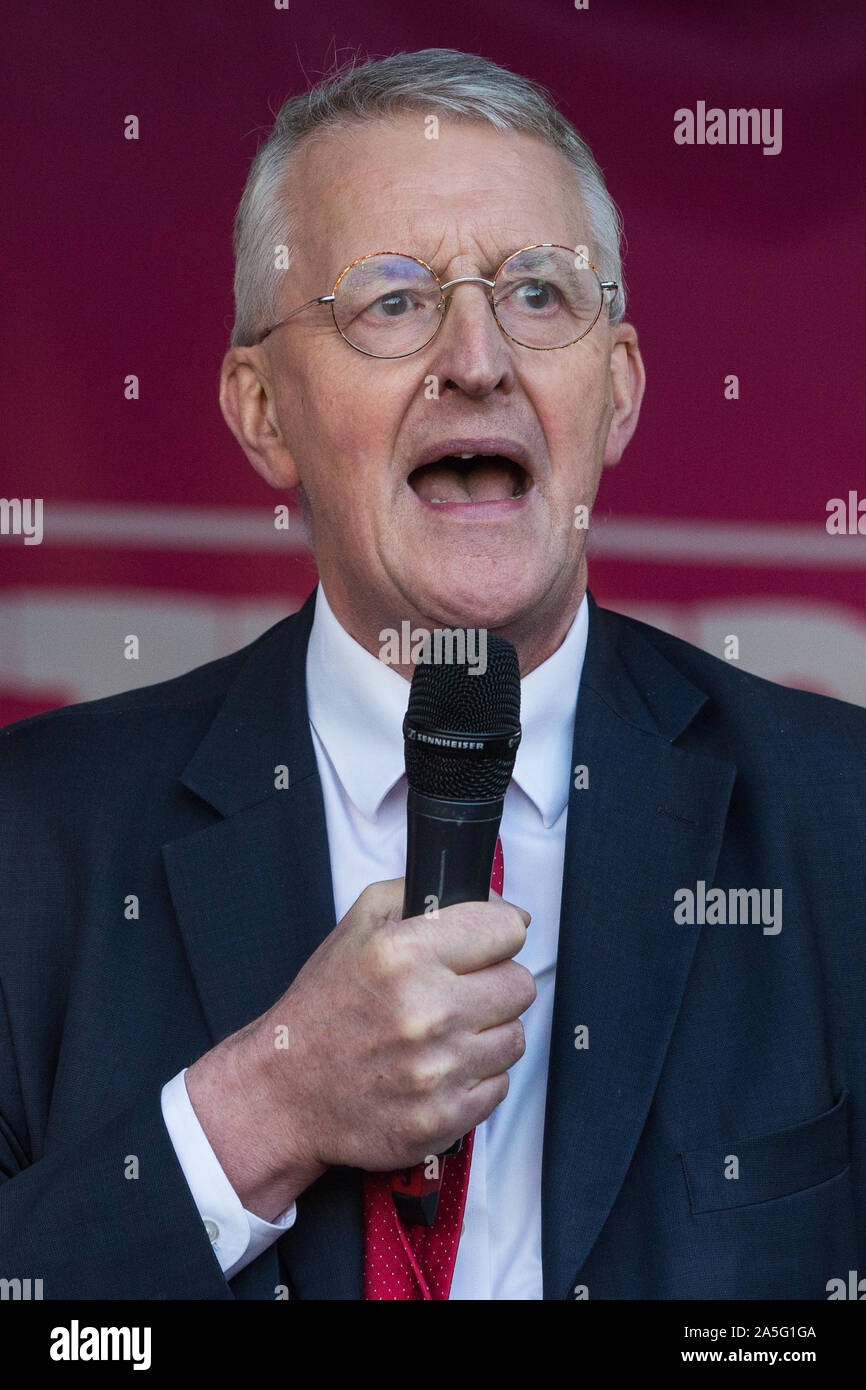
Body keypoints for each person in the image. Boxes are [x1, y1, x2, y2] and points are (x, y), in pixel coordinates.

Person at [0, 48, 863, 1302]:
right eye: (391, 301)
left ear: (614, 394)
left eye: (537, 294)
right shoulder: (33, 839)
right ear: (260, 410)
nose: (476, 357)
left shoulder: (838, 821)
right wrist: (260, 1111)